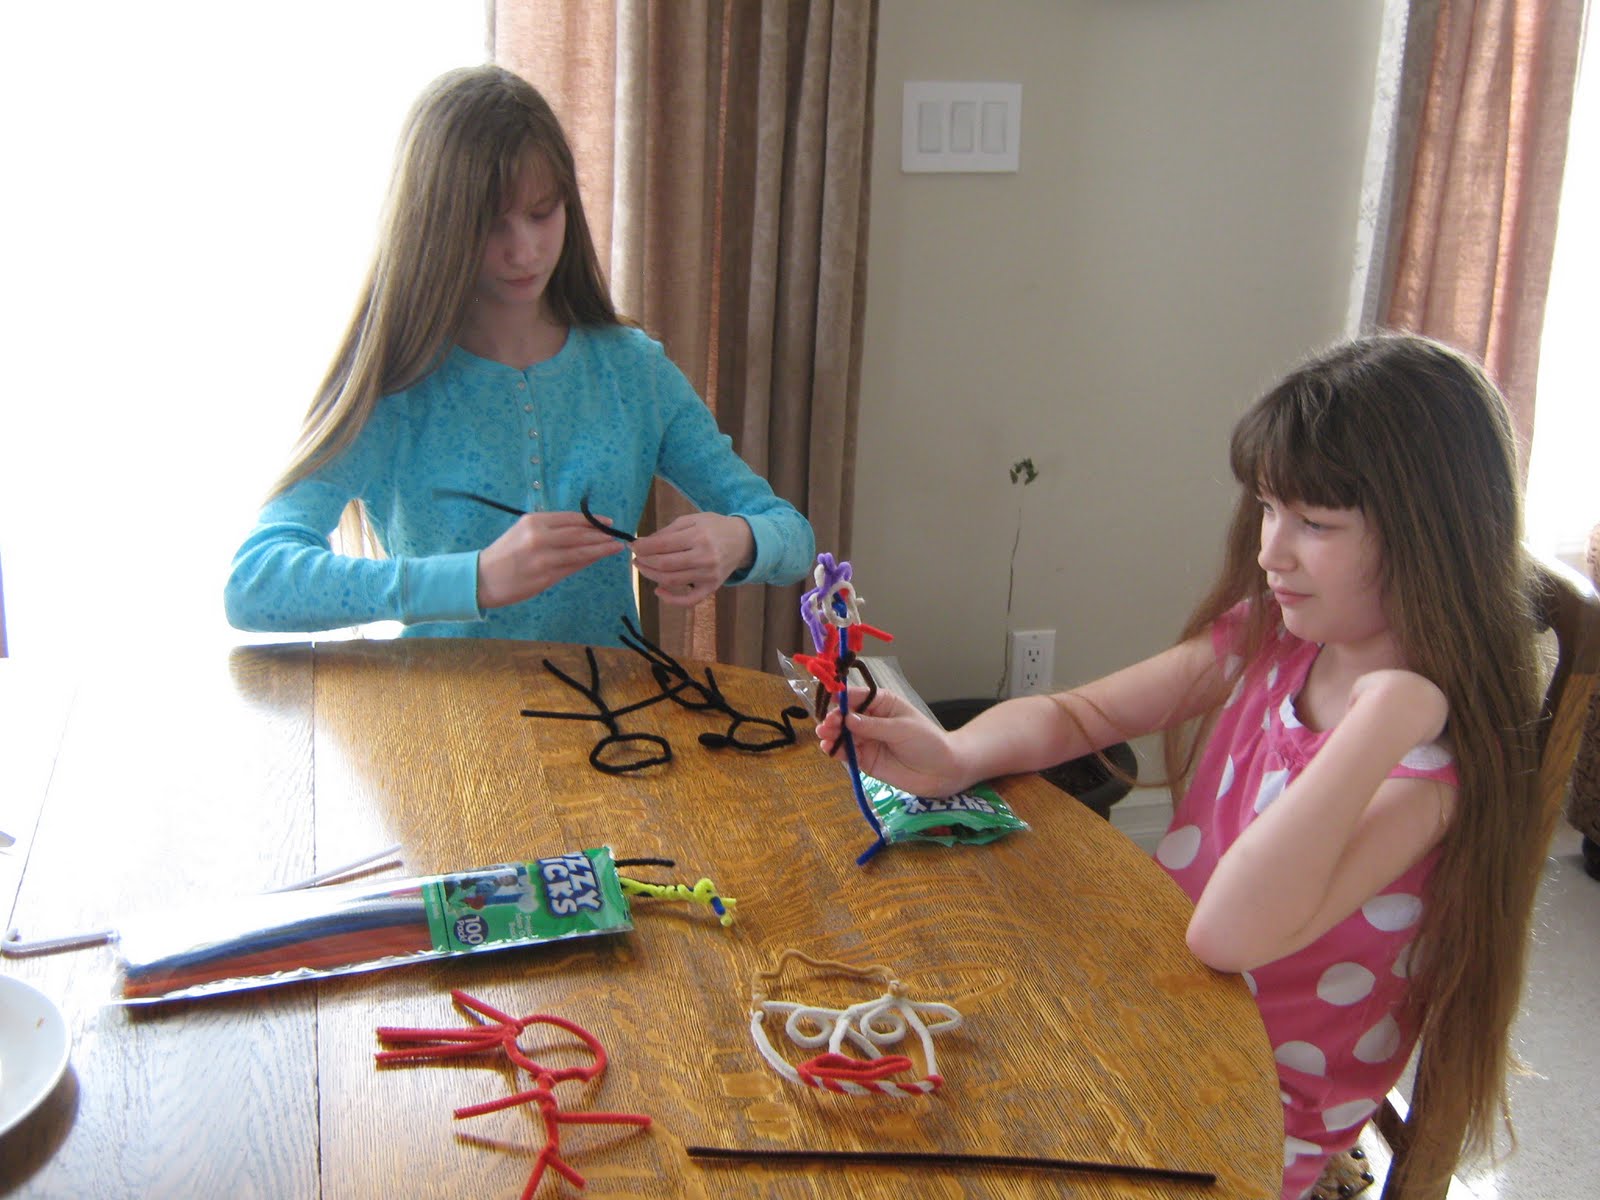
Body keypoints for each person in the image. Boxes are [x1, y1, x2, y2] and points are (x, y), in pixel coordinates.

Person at [816, 333, 1546, 1200]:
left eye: (1315, 524)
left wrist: (1384, 716)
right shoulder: (1274, 642)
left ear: (1436, 537)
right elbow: (1083, 714)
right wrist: (955, 753)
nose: (1273, 550)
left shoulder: (1424, 771)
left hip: (1247, 1109)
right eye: (1272, 509)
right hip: (1154, 1003)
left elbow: (1227, 935)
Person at [225, 65, 814, 645]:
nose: (524, 250)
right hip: (444, 730)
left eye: (542, 213)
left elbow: (794, 537)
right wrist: (474, 579)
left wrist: (736, 540)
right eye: (491, 224)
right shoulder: (394, 388)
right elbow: (255, 585)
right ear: (438, 226)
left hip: (611, 729)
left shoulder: (633, 372)